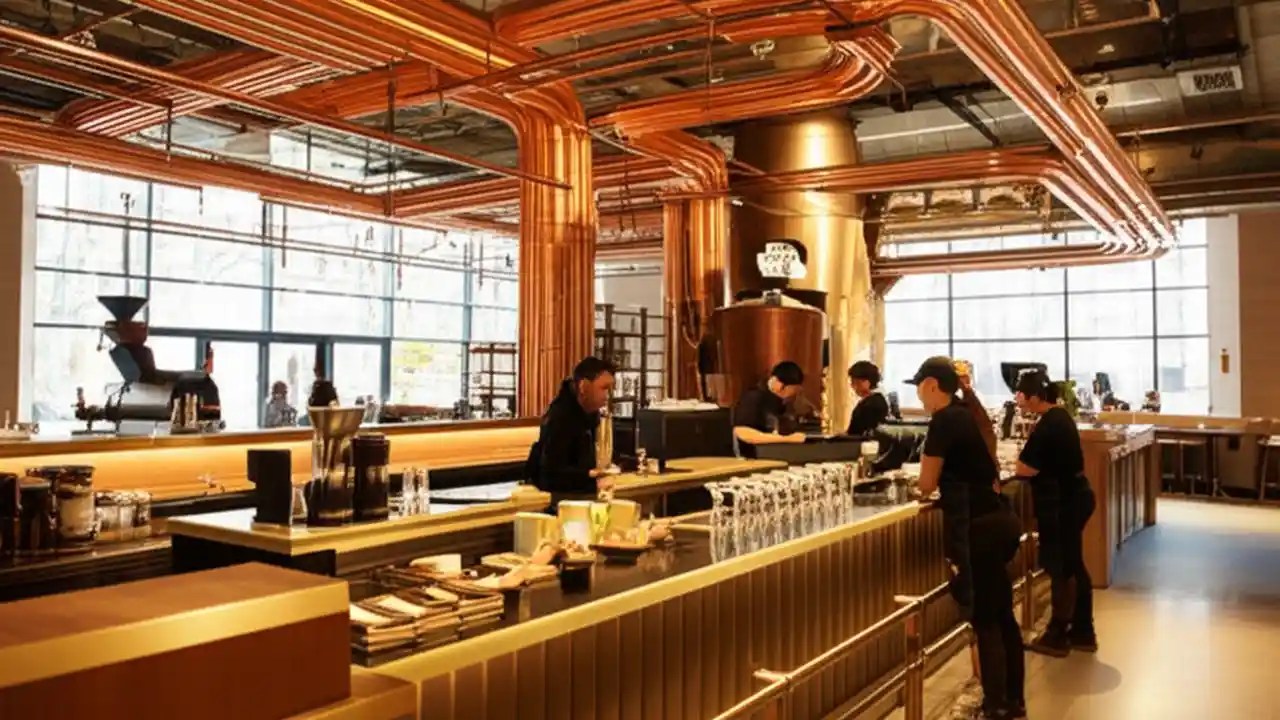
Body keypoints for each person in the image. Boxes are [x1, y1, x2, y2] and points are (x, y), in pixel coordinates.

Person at [911, 357, 1025, 720]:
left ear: (932, 385)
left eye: (919, 388)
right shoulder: (965, 414)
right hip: (998, 519)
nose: (919, 396)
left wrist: (917, 487)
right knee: (1002, 615)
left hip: (977, 528)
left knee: (986, 618)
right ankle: (1013, 699)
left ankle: (996, 706)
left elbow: (926, 483)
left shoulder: (944, 420)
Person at [1015, 369, 1098, 657]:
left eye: (1021, 394)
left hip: (1062, 502)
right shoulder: (1061, 418)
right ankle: (1083, 630)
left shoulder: (1048, 424)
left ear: (1035, 397)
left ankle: (1058, 634)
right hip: (1077, 495)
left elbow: (1025, 468)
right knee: (1073, 564)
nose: (1018, 399)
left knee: (1061, 567)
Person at [527, 356, 617, 507]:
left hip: (586, 496)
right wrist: (590, 475)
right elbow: (551, 474)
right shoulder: (561, 417)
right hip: (562, 503)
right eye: (604, 388)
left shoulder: (592, 413)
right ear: (583, 386)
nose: (608, 396)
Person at [732, 361, 808, 456]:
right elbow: (743, 433)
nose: (794, 394)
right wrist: (788, 439)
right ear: (780, 384)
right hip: (752, 456)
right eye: (794, 390)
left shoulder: (780, 402)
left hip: (773, 453)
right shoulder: (753, 398)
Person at [846, 361, 889, 437]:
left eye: (855, 382)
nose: (853, 386)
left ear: (866, 382)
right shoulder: (877, 399)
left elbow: (858, 432)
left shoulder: (871, 403)